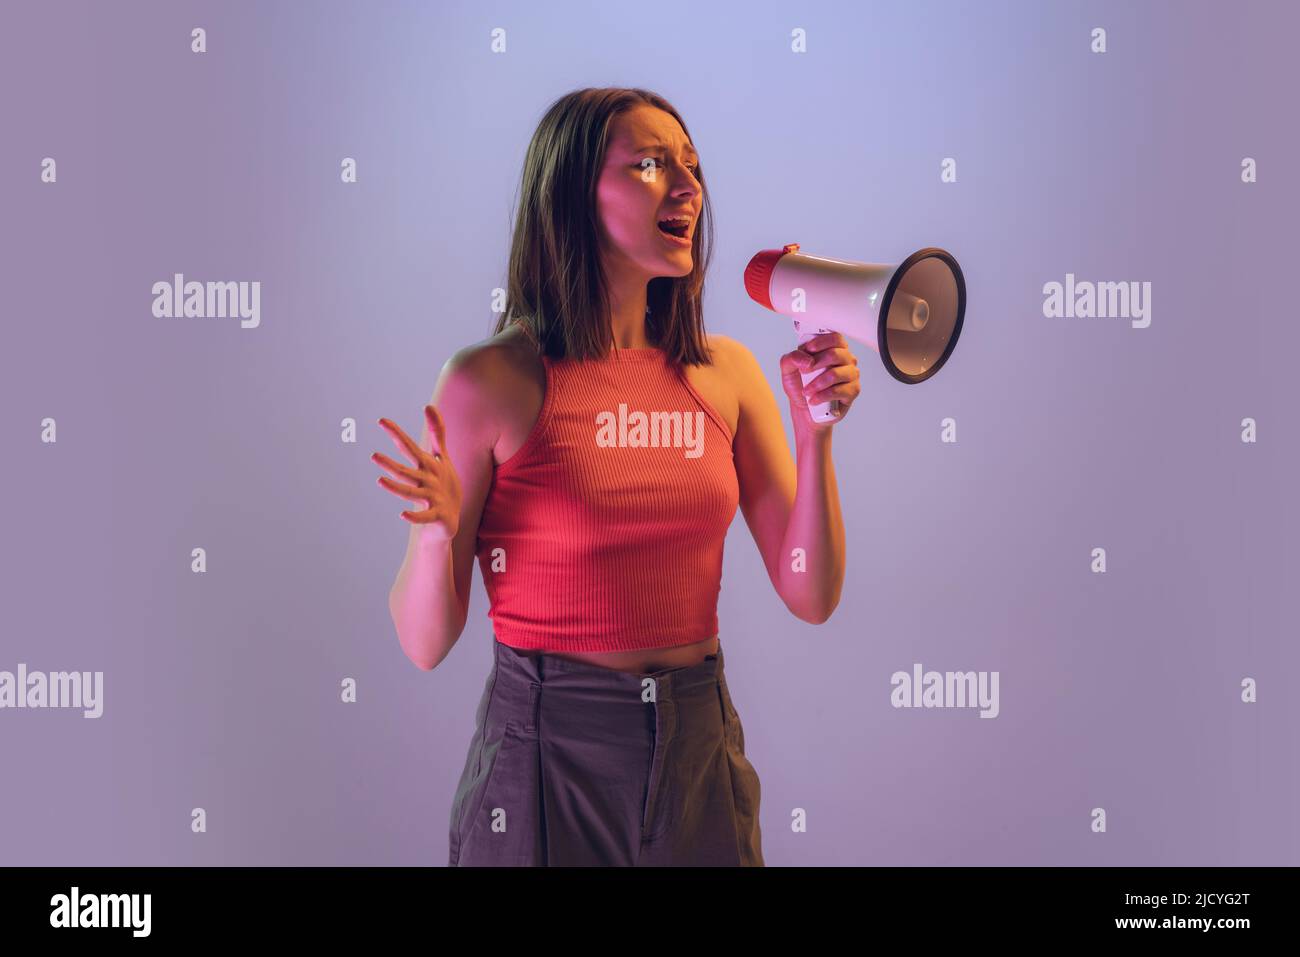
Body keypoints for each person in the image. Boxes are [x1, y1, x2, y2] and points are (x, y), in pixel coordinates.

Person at [374, 87, 858, 866]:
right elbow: (424, 643)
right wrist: (436, 533)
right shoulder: (491, 381)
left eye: (692, 166)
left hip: (698, 743)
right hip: (545, 749)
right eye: (650, 164)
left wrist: (815, 435)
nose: (688, 186)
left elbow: (812, 594)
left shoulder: (725, 374)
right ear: (571, 195)